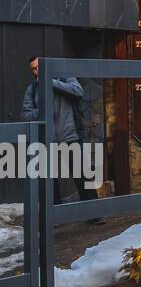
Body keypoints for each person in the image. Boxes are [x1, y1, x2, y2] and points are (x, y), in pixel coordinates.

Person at [21, 57, 103, 220]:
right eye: (34, 69)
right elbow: (25, 114)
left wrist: (51, 82)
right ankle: (53, 217)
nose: (38, 70)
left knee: (82, 176)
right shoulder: (32, 90)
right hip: (46, 140)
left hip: (70, 137)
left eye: (40, 66)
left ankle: (94, 213)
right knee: (49, 181)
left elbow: (78, 91)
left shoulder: (64, 78)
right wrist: (41, 112)